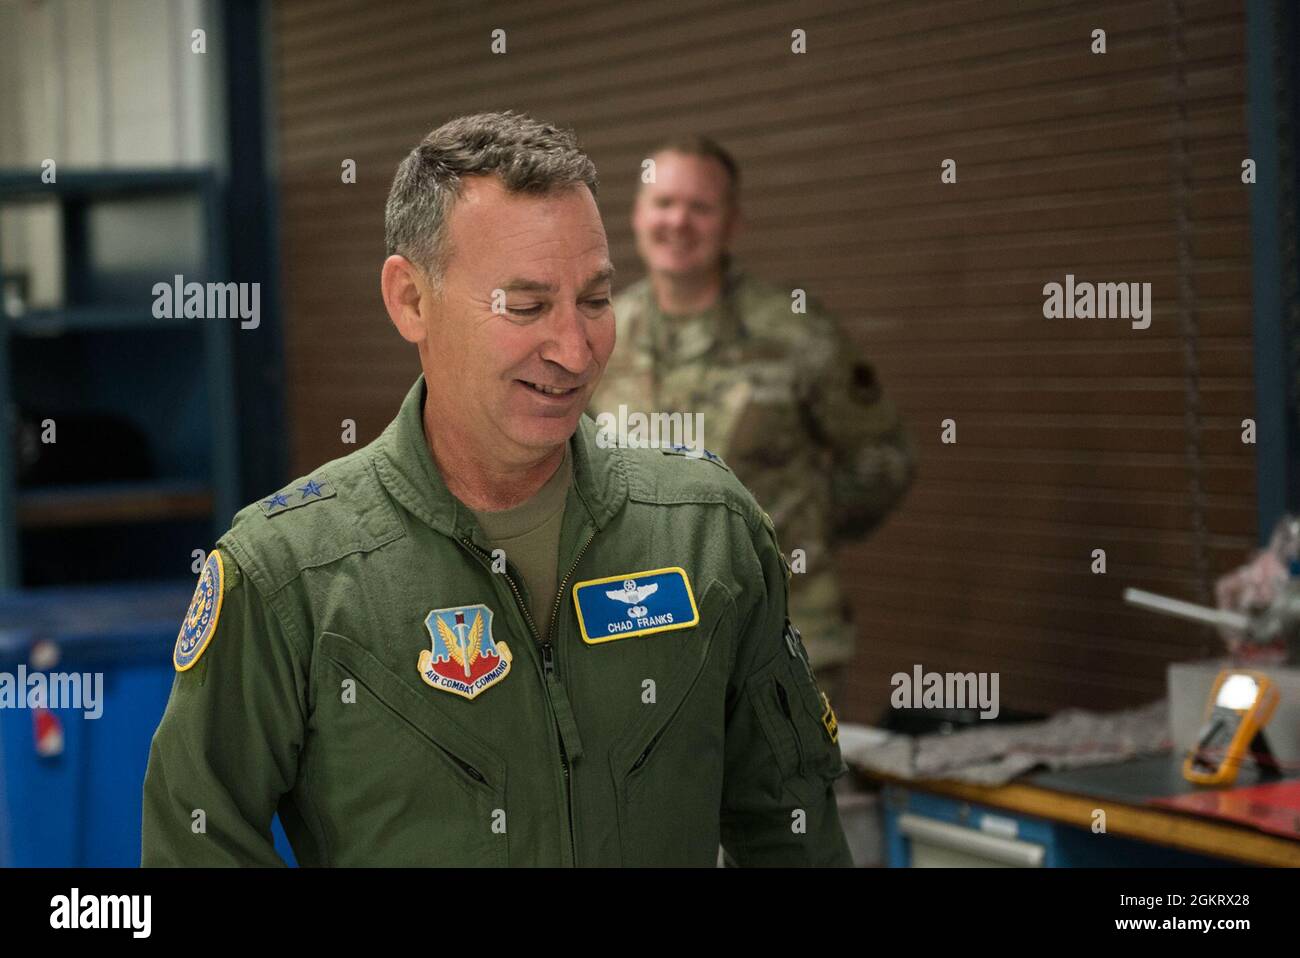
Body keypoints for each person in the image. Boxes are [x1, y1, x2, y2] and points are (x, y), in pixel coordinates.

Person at [141, 112, 852, 867]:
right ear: (411, 300)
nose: (574, 350)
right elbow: (198, 846)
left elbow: (792, 832)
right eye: (527, 305)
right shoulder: (288, 576)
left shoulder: (706, 531)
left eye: (596, 300)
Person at [589, 136, 915, 700]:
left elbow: (882, 459)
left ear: (732, 223)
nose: (678, 221)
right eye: (664, 203)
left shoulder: (794, 331)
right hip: (646, 635)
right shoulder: (600, 334)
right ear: (638, 215)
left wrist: (797, 531)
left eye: (700, 206)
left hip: (782, 633)